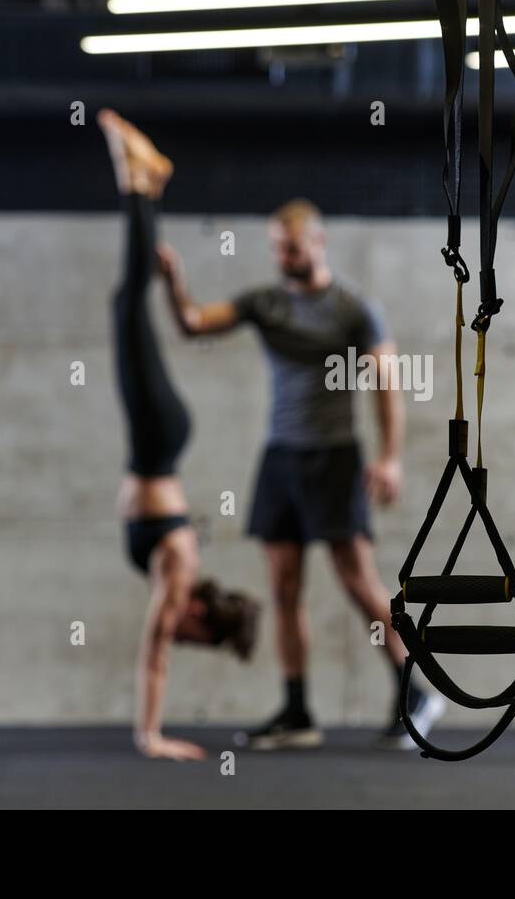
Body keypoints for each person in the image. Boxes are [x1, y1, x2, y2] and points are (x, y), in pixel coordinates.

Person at [156, 198, 445, 750]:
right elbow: (194, 325)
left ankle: (417, 693)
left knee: (359, 582)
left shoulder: (354, 308)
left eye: (290, 249)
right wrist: (174, 281)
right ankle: (296, 710)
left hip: (334, 457)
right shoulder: (265, 304)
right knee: (284, 587)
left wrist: (390, 457)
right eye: (275, 250)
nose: (282, 259)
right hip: (281, 458)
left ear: (318, 243)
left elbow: (387, 381)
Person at [98, 109, 260, 761]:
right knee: (124, 304)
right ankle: (138, 180)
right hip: (158, 436)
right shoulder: (179, 571)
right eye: (198, 636)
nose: (181, 635)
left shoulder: (179, 568)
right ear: (201, 614)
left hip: (159, 439)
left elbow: (164, 644)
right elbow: (154, 653)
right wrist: (151, 736)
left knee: (124, 303)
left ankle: (147, 183)